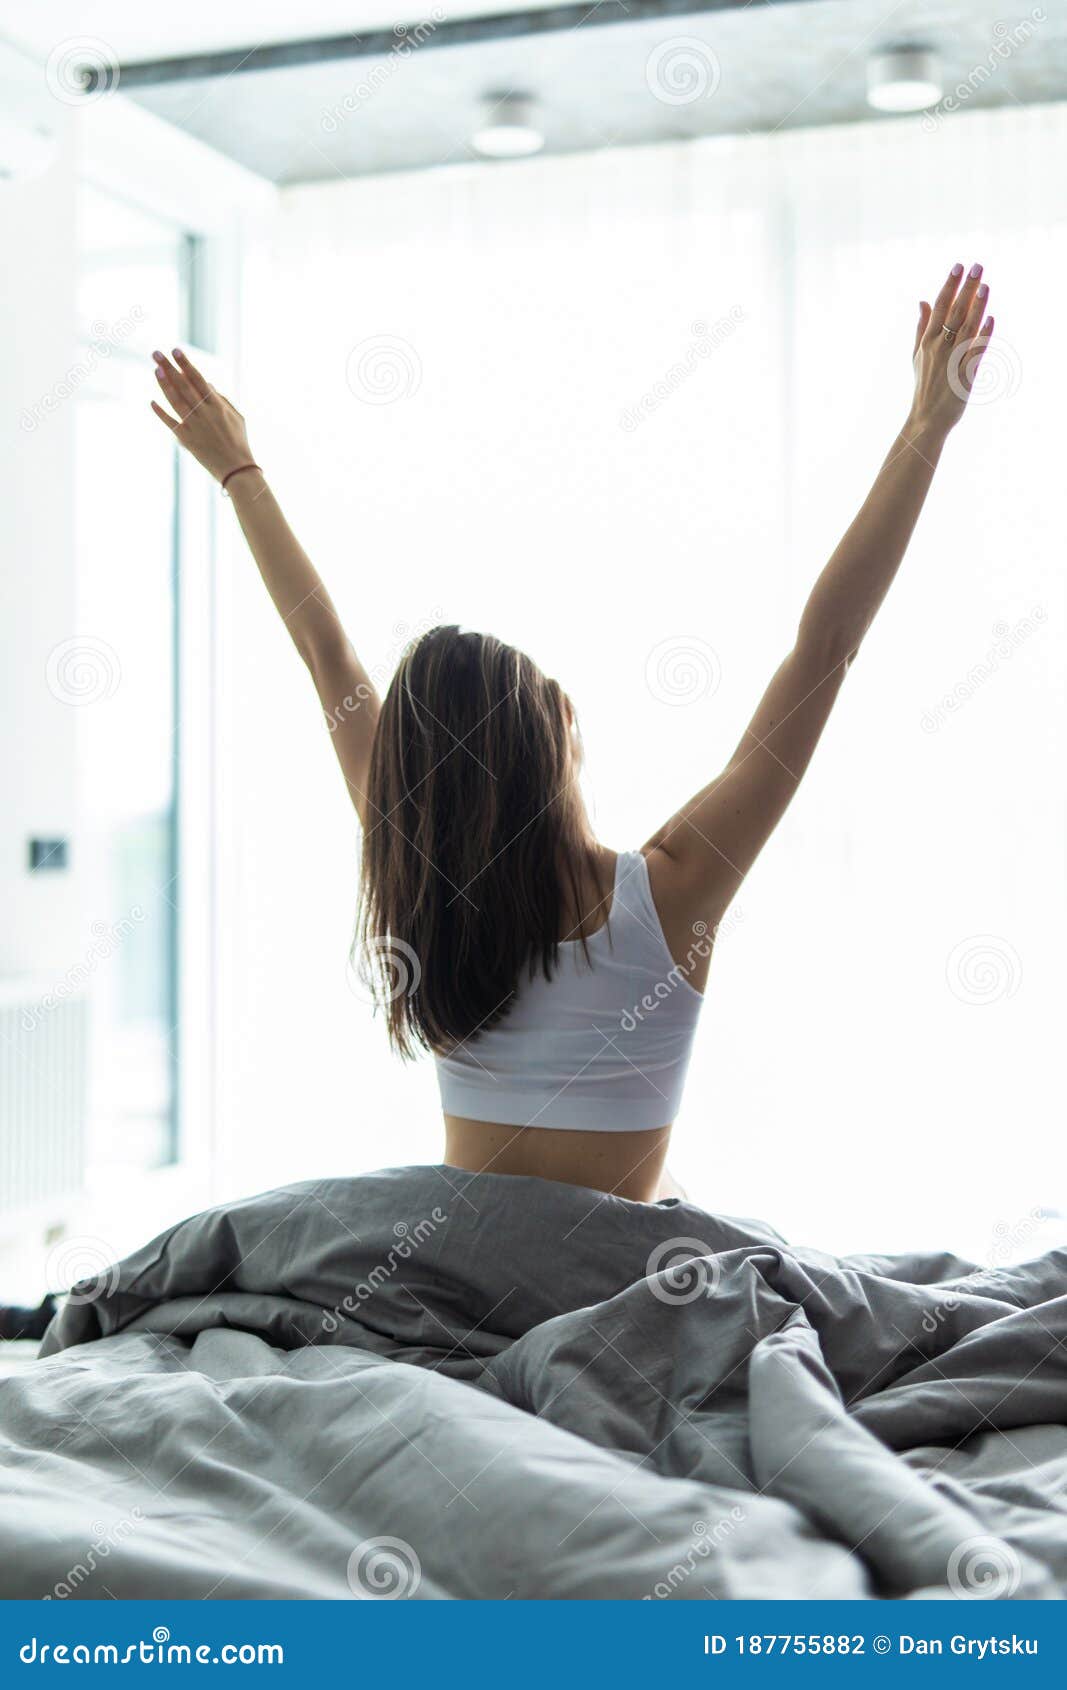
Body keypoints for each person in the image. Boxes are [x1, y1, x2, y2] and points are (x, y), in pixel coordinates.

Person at [149, 261, 994, 1203]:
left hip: (461, 1277)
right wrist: (926, 428)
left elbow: (325, 653)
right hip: (612, 1278)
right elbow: (824, 649)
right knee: (670, 1191)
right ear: (552, 744)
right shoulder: (672, 891)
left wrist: (239, 473)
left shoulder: (417, 871)